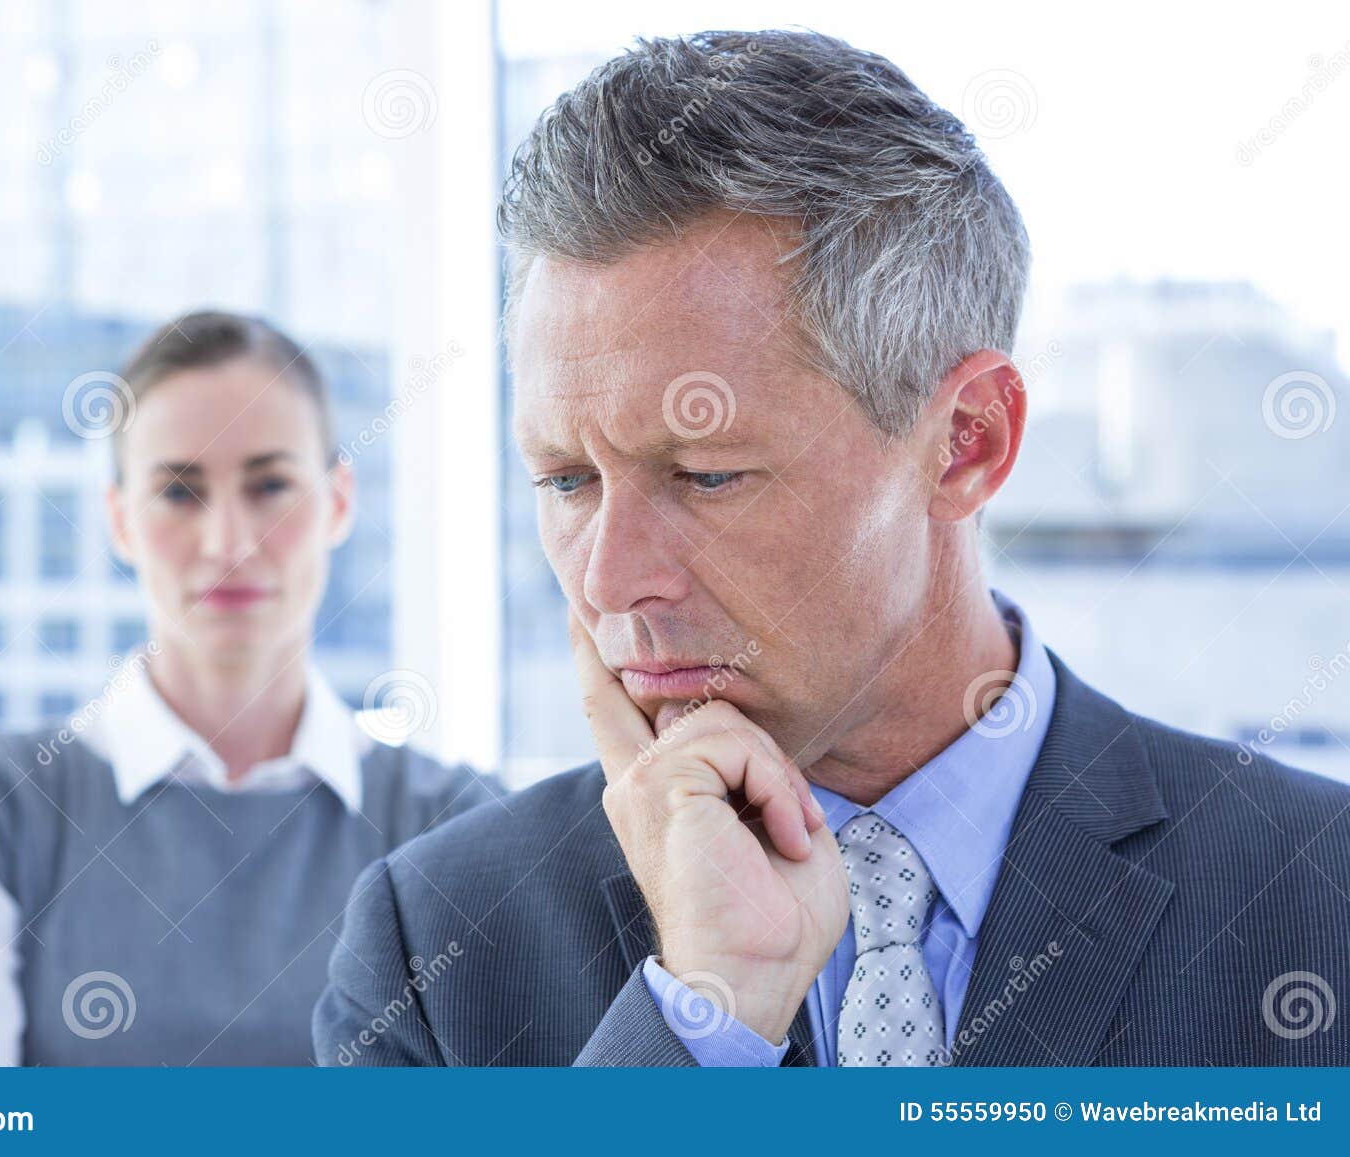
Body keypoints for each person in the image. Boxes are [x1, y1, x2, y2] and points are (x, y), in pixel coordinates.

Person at [313, 30, 1350, 1066]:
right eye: (566, 480)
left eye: (706, 474)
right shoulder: (437, 946)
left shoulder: (1316, 892)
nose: (608, 579)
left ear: (967, 441)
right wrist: (703, 1018)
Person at [0, 310, 503, 1065]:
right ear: (120, 520)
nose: (228, 543)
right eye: (179, 491)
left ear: (338, 501)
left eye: (271, 485)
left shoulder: (456, 825)